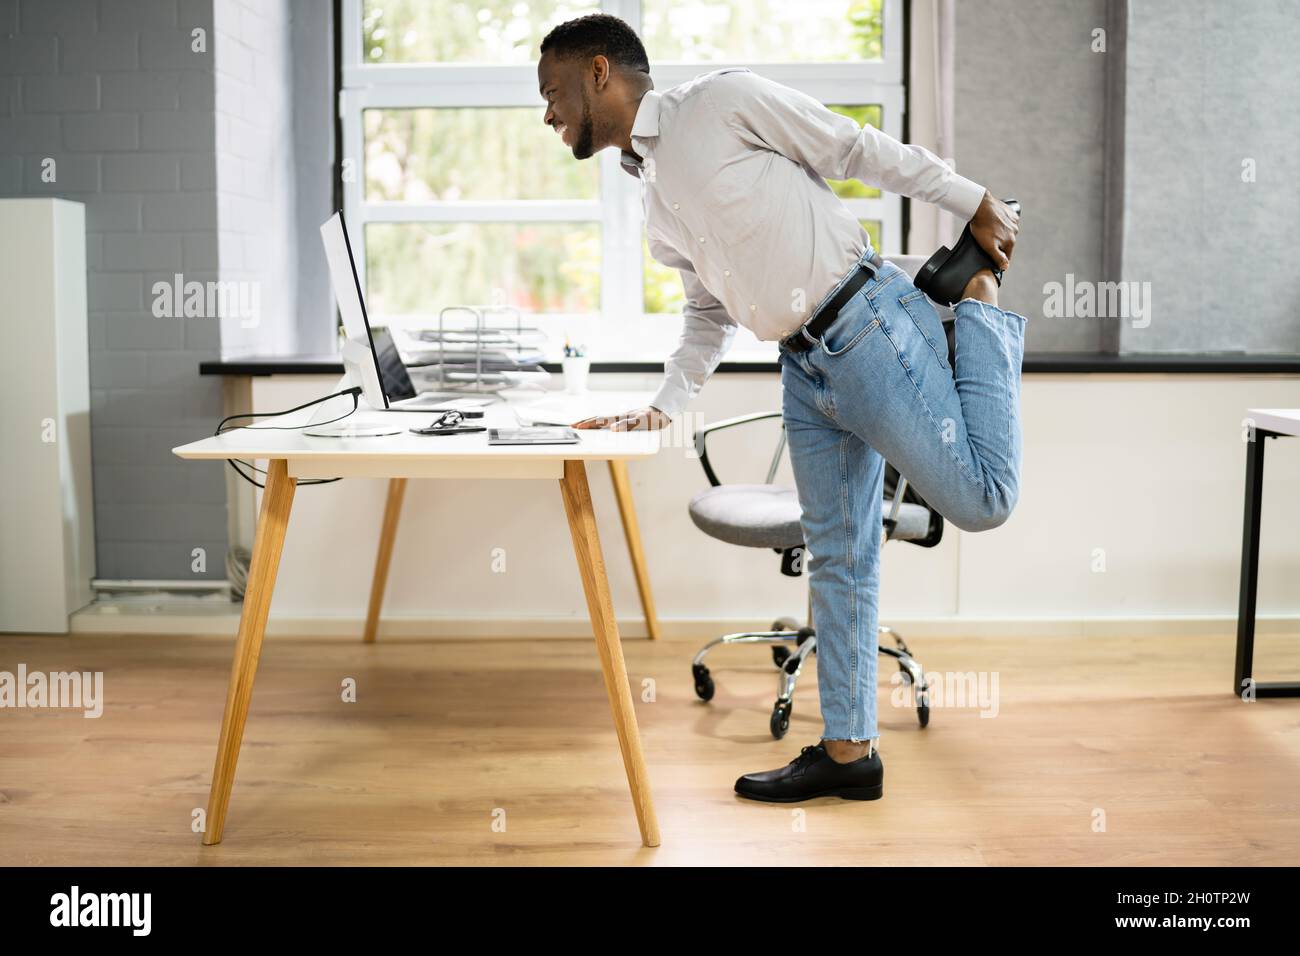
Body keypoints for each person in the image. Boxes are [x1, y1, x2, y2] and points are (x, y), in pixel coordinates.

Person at [538, 13, 1023, 802]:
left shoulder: (721, 103)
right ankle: (848, 753)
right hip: (801, 369)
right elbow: (706, 313)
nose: (549, 115)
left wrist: (972, 201)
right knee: (840, 555)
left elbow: (853, 147)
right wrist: (665, 405)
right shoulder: (652, 197)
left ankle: (979, 303)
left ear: (600, 73)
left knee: (984, 499)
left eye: (553, 93)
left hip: (865, 328)